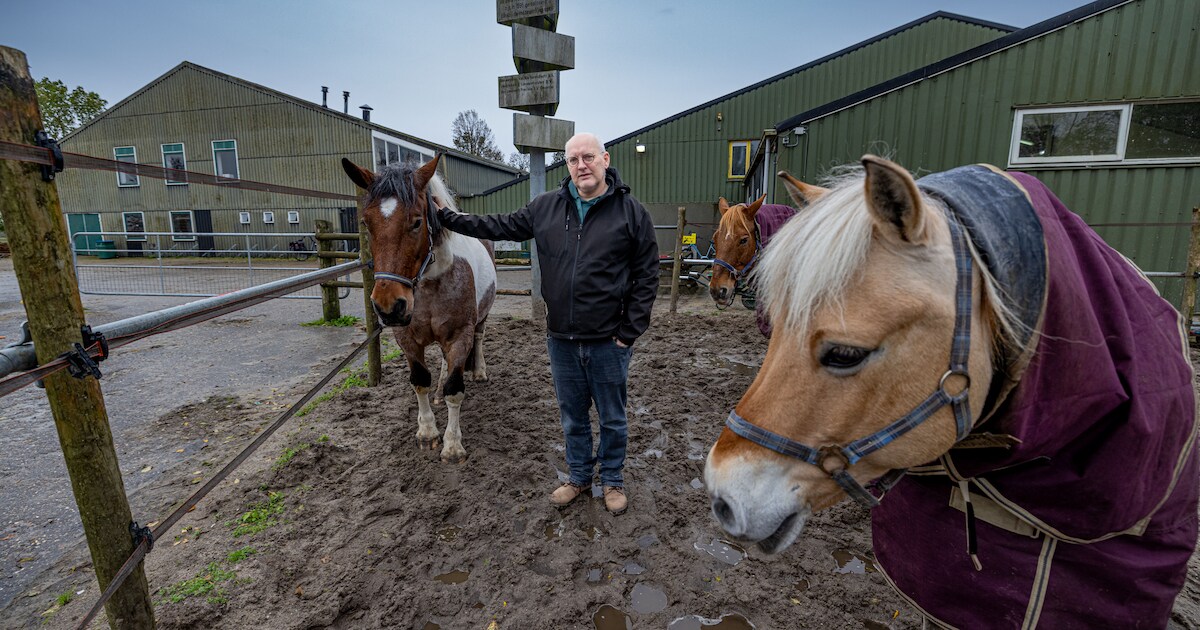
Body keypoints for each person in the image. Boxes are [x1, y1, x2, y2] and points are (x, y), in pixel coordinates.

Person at [435, 133, 659, 515]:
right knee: (572, 416)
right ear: (567, 166)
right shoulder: (546, 208)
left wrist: (629, 331)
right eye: (573, 160)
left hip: (609, 341)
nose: (581, 165)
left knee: (613, 417)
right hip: (562, 339)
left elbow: (647, 274)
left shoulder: (631, 212)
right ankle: (578, 477)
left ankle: (613, 481)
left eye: (588, 157)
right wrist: (447, 218)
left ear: (605, 159)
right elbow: (499, 225)